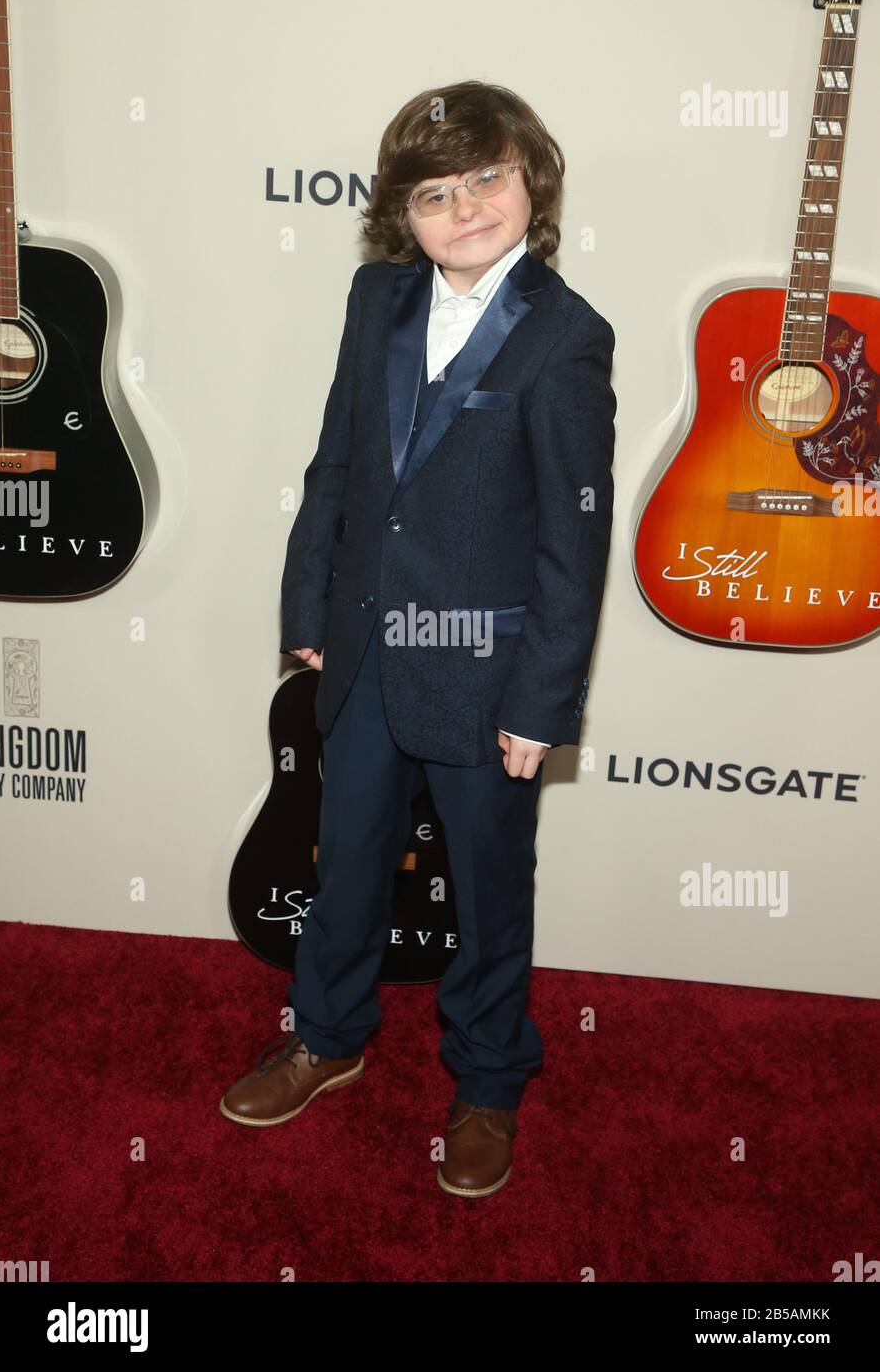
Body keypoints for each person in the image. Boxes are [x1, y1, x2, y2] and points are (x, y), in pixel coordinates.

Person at [220, 80, 617, 1199]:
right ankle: (326, 1036)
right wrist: (308, 610)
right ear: (404, 215)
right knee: (343, 864)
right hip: (360, 655)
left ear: (531, 180)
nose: (467, 207)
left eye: (487, 178)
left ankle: (489, 1081)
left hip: (489, 679)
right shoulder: (374, 302)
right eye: (437, 193)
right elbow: (337, 464)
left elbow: (571, 542)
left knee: (489, 891)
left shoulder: (567, 338)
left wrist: (542, 702)